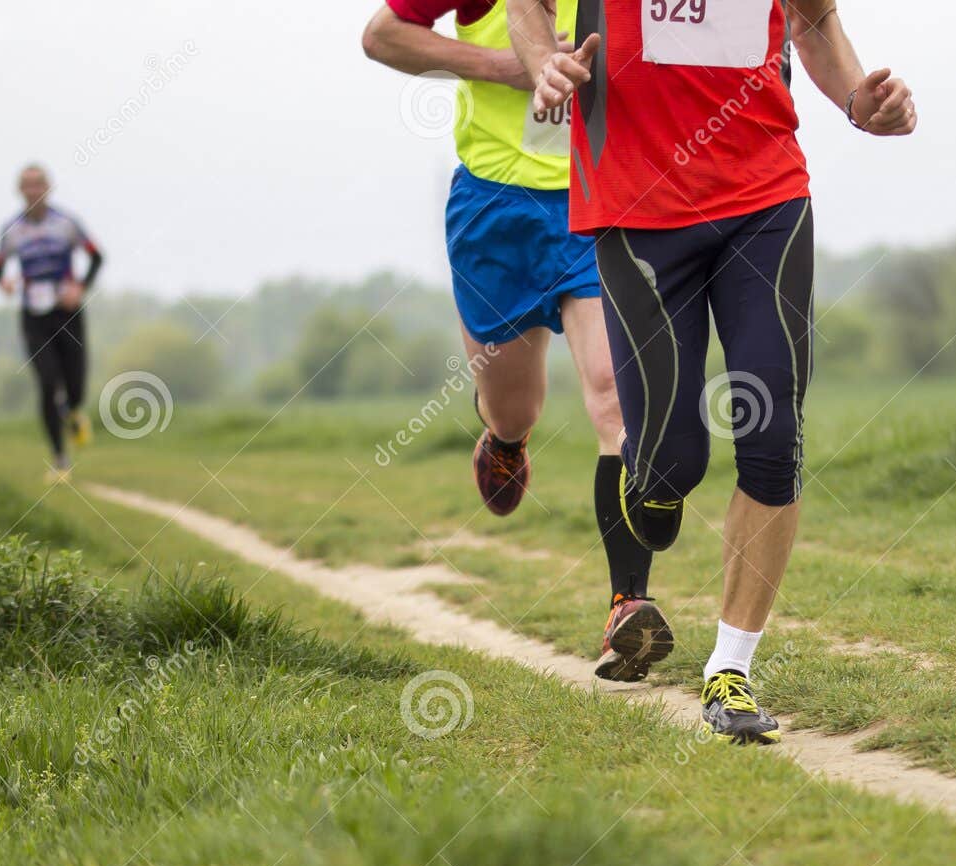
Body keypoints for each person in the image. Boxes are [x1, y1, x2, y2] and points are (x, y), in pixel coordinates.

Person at [511, 0, 916, 742]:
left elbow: (814, 23)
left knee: (774, 430)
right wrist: (543, 63)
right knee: (673, 460)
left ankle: (731, 668)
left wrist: (861, 102)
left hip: (765, 196)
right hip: (634, 203)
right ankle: (653, 478)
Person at [363, 0, 673, 682]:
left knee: (614, 398)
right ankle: (504, 438)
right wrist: (501, 66)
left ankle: (628, 604)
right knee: (516, 407)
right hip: (495, 211)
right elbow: (381, 37)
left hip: (597, 199)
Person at [0, 164, 104, 480]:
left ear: (48, 188)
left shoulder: (66, 223)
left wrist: (80, 287)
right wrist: (4, 282)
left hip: (67, 312)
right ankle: (60, 459)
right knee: (47, 383)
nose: (33, 191)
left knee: (75, 385)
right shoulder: (11, 229)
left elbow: (96, 256)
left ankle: (73, 411)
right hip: (34, 317)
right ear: (20, 190)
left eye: (38, 184)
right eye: (27, 185)